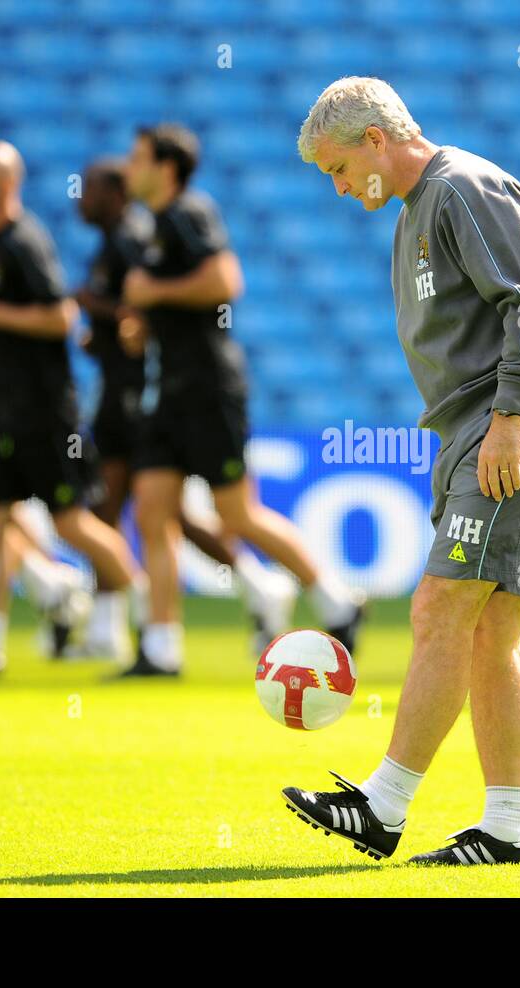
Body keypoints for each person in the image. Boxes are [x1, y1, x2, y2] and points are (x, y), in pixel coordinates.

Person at [282, 76, 520, 866]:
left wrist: (511, 417)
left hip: (504, 423)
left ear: (375, 139)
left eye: (339, 170)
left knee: (439, 607)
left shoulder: (461, 188)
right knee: (488, 630)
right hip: (476, 428)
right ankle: (509, 828)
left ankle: (381, 807)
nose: (341, 189)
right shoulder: (419, 210)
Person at [121, 124, 361, 676]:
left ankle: (335, 599)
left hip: (209, 388)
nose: (129, 168)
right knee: (153, 510)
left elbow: (226, 280)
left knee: (237, 513)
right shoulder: (155, 225)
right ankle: (161, 647)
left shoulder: (190, 212)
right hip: (170, 388)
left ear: (166, 167)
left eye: (138, 159)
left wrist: (153, 294)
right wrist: (147, 324)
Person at [0, 141, 141, 672]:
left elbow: (59, 318)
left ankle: (144, 623)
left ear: (3, 186)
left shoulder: (25, 240)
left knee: (72, 524)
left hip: (45, 413)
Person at [75, 158, 295, 657]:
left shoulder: (140, 235)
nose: (80, 198)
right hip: (142, 389)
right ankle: (157, 630)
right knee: (152, 509)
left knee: (124, 506)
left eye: (90, 188)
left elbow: (160, 305)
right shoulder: (122, 240)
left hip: (148, 392)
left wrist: (113, 315)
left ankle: (115, 625)